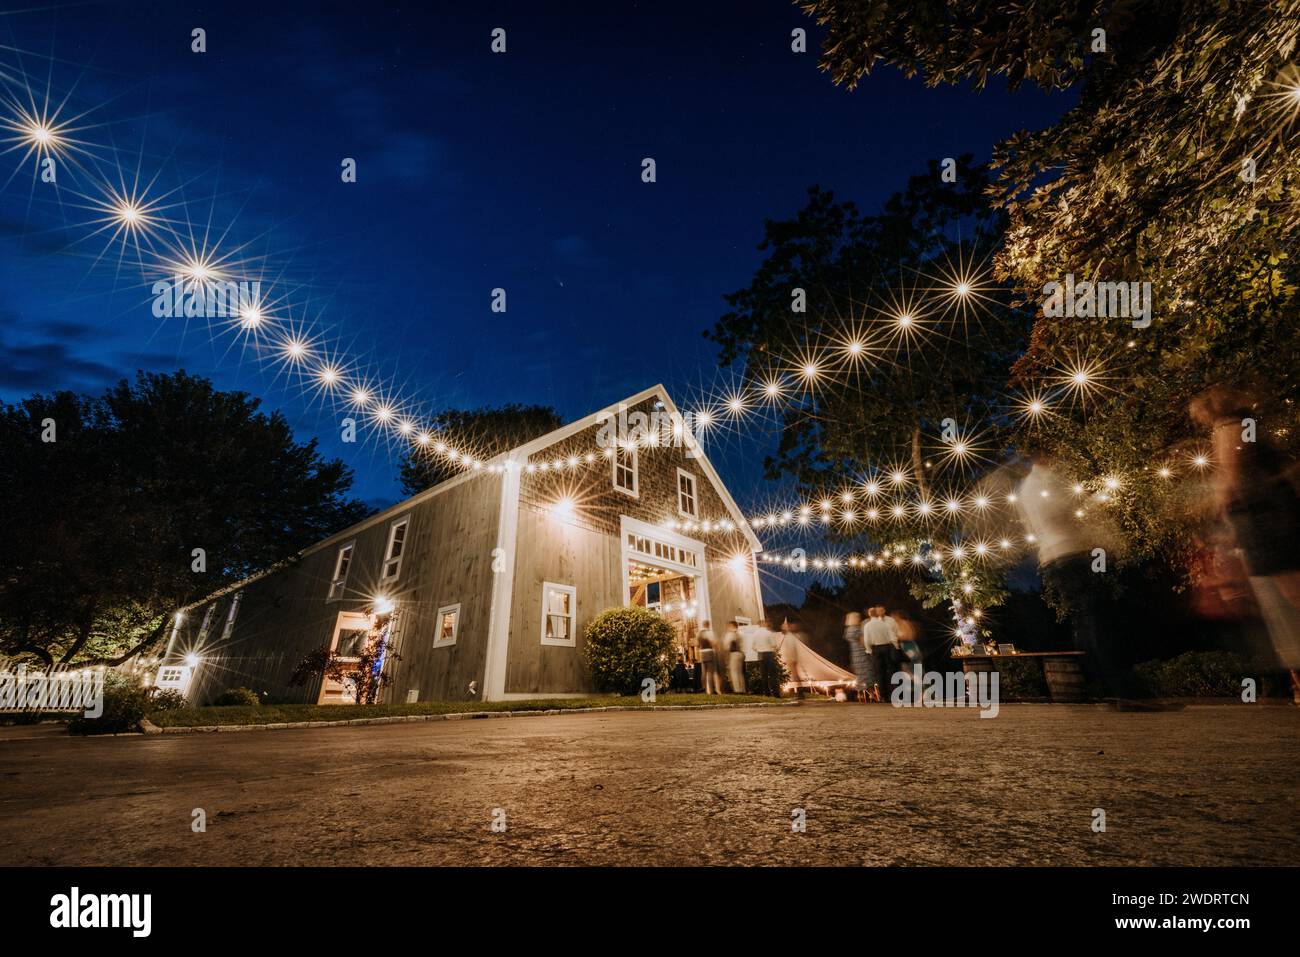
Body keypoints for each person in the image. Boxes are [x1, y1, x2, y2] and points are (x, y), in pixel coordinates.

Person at [1191, 385, 1300, 702]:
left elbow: (1230, 478)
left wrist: (1213, 505)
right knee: (1285, 599)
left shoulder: (1229, 427)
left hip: (1262, 523)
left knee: (1291, 596)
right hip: (1275, 516)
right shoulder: (1253, 427)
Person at [1015, 455, 1125, 694]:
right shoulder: (1051, 482)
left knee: (1083, 620)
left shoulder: (1025, 489)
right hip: (1072, 553)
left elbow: (1031, 526)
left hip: (1052, 558)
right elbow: (1069, 513)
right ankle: (1120, 687)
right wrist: (1095, 503)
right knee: (1097, 617)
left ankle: (1103, 684)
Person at [863, 606, 901, 700]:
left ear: (869, 614)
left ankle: (884, 696)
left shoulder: (867, 625)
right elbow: (892, 635)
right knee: (890, 671)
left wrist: (869, 650)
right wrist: (896, 647)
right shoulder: (884, 624)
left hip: (876, 649)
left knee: (879, 672)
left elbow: (867, 640)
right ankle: (894, 693)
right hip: (887, 647)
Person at [843, 611, 872, 701]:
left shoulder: (849, 630)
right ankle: (867, 695)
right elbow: (863, 641)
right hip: (861, 655)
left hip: (856, 656)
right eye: (858, 618)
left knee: (862, 676)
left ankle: (863, 695)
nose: (859, 619)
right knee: (866, 675)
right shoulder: (855, 630)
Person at [752, 619, 781, 696]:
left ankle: (767, 693)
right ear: (764, 624)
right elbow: (774, 644)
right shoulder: (768, 633)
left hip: (760, 654)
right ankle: (776, 693)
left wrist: (759, 648)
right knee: (773, 674)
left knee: (763, 675)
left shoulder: (755, 634)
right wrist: (775, 647)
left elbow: (753, 647)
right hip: (768, 654)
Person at [697, 620, 724, 695]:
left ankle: (704, 688)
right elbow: (713, 642)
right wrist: (718, 648)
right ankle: (709, 690)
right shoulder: (709, 632)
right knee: (710, 671)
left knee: (704, 672)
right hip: (709, 652)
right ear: (708, 625)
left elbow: (697, 644)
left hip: (701, 652)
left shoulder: (699, 633)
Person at [723, 620, 746, 693]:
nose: (727, 627)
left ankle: (737, 690)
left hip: (734, 653)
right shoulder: (740, 633)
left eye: (729, 626)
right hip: (741, 653)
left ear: (732, 626)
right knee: (740, 672)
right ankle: (742, 689)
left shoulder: (730, 634)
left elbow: (726, 646)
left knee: (734, 672)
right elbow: (743, 645)